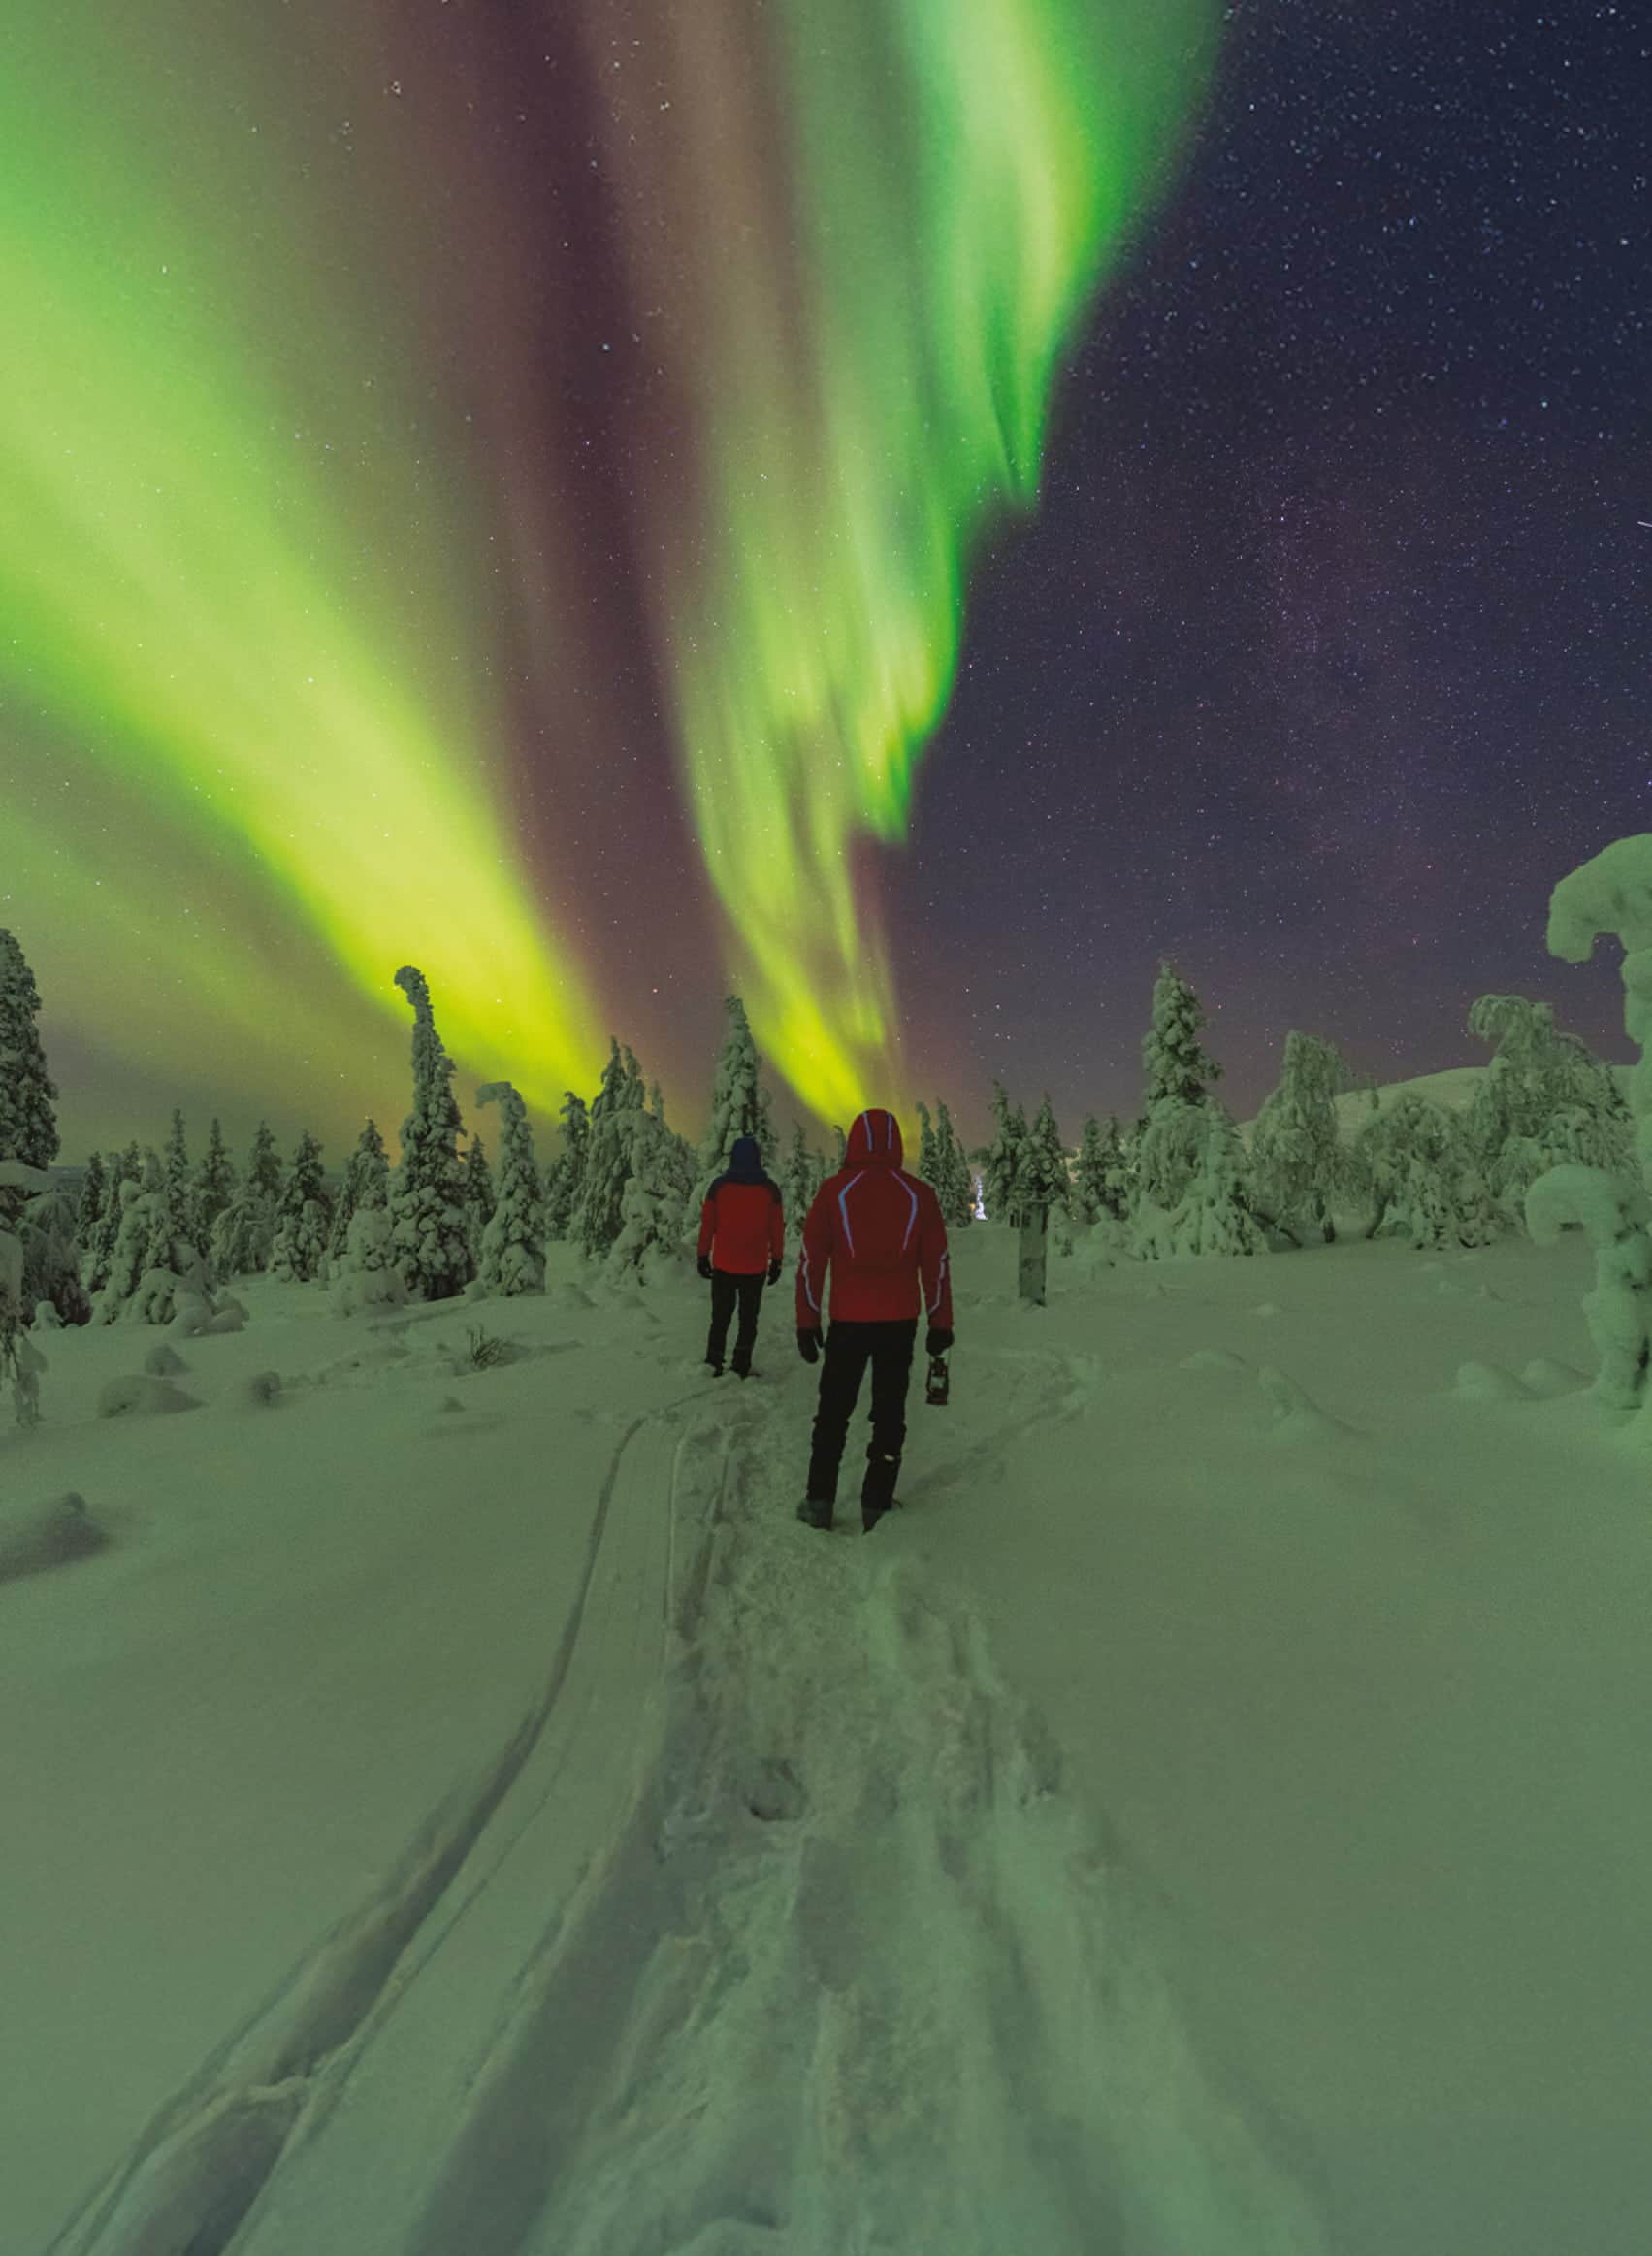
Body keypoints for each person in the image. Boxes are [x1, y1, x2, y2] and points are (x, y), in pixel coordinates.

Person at [794, 1106, 954, 1534]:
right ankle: (876, 1504)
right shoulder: (920, 1195)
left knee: (833, 1414)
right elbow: (935, 1265)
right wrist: (941, 1325)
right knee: (888, 1414)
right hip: (899, 1323)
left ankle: (819, 1500)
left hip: (847, 1322)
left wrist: (806, 1321)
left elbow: (812, 1262)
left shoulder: (834, 1192)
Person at [697, 1134, 784, 1377]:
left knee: (720, 1317)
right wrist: (776, 1259)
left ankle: (713, 1362)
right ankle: (741, 1365)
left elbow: (708, 1225)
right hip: (755, 1267)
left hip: (724, 1265)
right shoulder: (770, 1190)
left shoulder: (719, 1187)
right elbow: (776, 1229)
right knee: (748, 1320)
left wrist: (702, 1255)